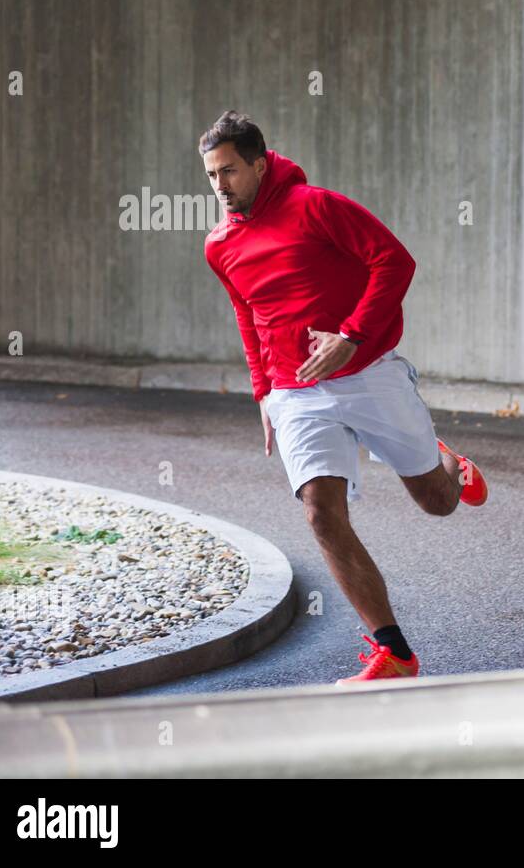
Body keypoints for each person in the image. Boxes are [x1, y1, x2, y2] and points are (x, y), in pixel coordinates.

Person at [199, 110, 486, 684]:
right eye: (210, 175)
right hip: (295, 391)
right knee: (320, 513)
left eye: (229, 171)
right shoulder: (220, 246)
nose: (220, 186)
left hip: (369, 372)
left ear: (259, 163)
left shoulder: (316, 206)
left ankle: (450, 464)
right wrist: (263, 392)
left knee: (436, 501)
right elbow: (246, 313)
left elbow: (395, 262)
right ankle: (395, 653)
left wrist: (351, 336)